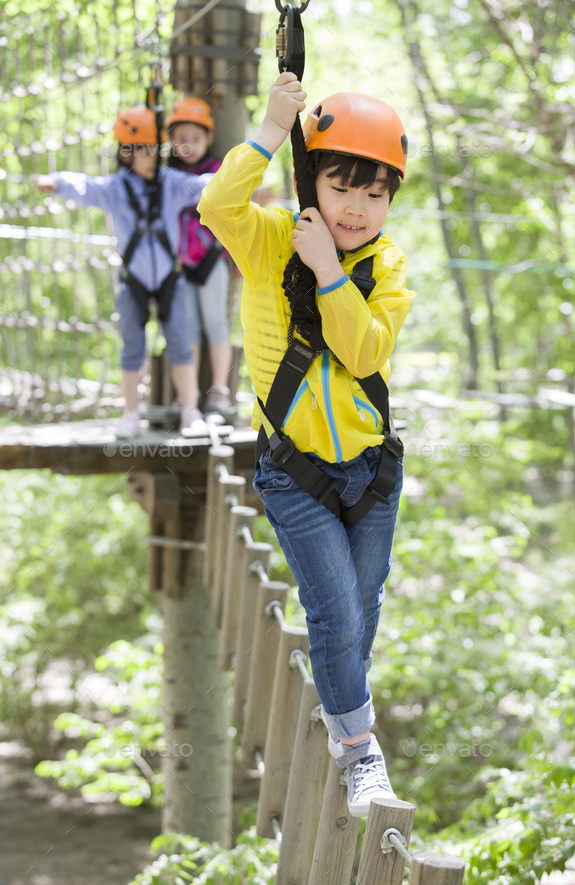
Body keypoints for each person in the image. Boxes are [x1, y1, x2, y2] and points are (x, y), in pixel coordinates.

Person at [199, 72, 415, 817]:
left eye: (374, 193)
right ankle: (361, 751)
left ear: (390, 199)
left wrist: (329, 269)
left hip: (370, 470)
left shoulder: (386, 267)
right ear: (309, 179)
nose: (356, 207)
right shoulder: (266, 241)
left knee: (363, 604)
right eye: (340, 185)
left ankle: (340, 707)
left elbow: (364, 351)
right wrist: (267, 128)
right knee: (334, 613)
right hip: (293, 472)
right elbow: (214, 205)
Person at [31, 104, 215, 438]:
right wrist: (55, 183)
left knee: (180, 344)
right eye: (139, 151)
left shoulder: (172, 184)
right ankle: (131, 412)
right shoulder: (116, 189)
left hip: (169, 281)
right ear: (126, 153)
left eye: (151, 150)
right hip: (133, 282)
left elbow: (207, 185)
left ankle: (191, 411)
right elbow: (85, 186)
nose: (147, 157)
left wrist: (244, 178)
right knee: (132, 347)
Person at [166, 98, 232, 421]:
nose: (188, 145)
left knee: (216, 323)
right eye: (182, 139)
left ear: (207, 139)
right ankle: (188, 399)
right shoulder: (166, 177)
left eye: (195, 138)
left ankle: (219, 392)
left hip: (211, 261)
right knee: (188, 329)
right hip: (179, 267)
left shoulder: (218, 171)